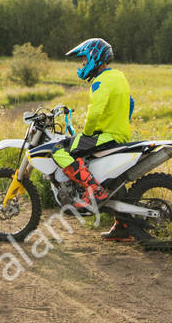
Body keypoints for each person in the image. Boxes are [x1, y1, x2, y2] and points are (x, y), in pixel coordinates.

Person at [54, 37, 135, 239]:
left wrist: (88, 133)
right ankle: (123, 226)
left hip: (107, 136)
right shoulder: (119, 76)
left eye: (83, 60)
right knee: (115, 179)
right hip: (121, 134)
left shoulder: (100, 82)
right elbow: (131, 103)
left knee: (59, 150)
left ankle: (93, 190)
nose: (82, 64)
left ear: (93, 58)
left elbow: (95, 112)